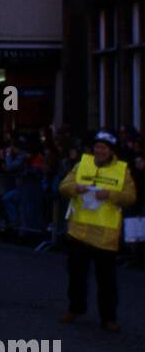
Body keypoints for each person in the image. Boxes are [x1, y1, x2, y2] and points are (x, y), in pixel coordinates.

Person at [58, 130, 135, 332]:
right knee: (76, 275)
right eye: (97, 146)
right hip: (79, 231)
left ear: (111, 151)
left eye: (104, 147)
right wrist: (75, 188)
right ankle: (75, 308)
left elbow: (131, 197)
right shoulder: (82, 164)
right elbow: (63, 186)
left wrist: (110, 194)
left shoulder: (122, 170)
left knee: (106, 280)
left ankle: (108, 318)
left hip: (105, 234)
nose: (100, 150)